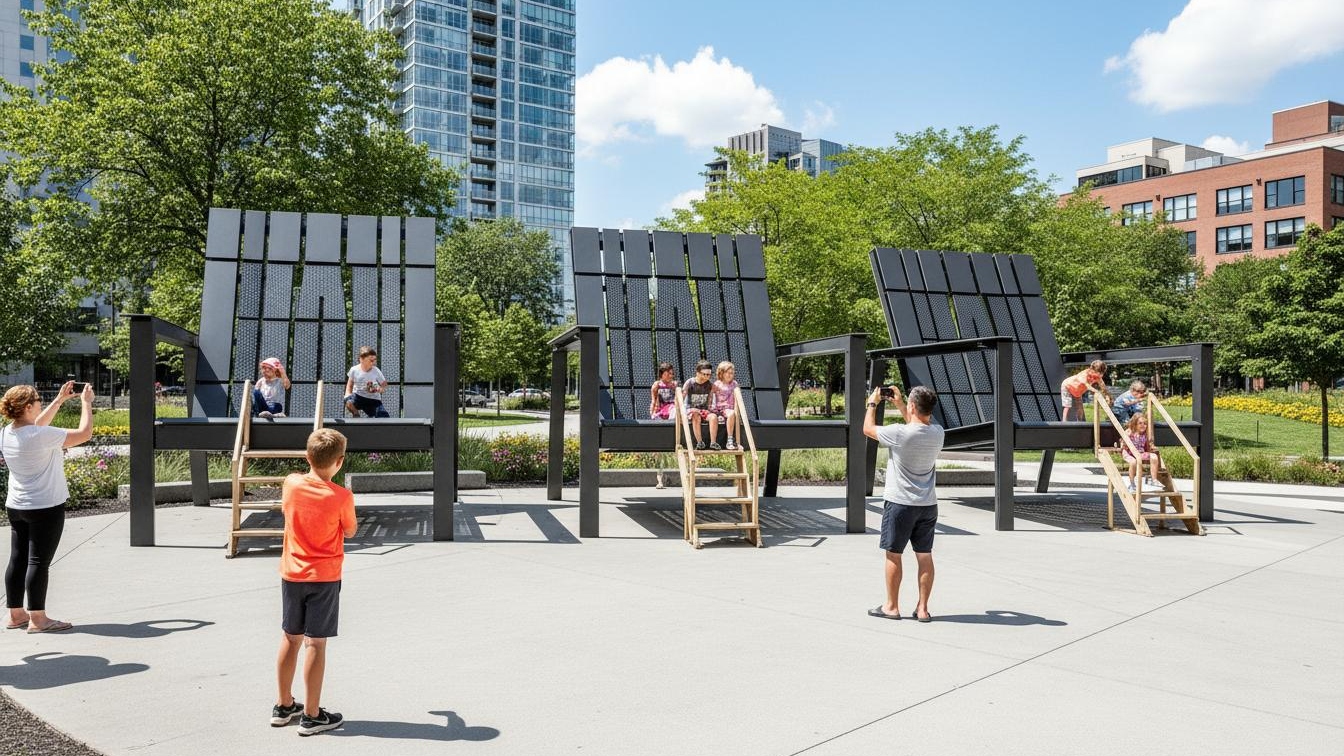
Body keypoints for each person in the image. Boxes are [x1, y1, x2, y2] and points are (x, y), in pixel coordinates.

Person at [273, 428, 357, 736]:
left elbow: (288, 509)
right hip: (324, 578)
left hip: (291, 574)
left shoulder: (291, 484)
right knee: (315, 644)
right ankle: (311, 714)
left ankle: (283, 706)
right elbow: (350, 531)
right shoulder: (342, 497)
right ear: (340, 462)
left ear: (307, 457)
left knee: (290, 638)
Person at [1, 382, 94, 633]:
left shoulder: (7, 433)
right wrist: (86, 403)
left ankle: (16, 615)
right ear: (29, 406)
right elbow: (84, 434)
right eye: (39, 400)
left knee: (18, 559)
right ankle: (38, 619)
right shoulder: (42, 436)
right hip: (45, 507)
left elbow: (35, 426)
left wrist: (59, 400)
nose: (42, 403)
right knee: (38, 562)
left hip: (17, 506)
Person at [863, 384, 944, 623]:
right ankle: (923, 609)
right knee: (924, 556)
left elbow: (867, 429)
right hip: (928, 505)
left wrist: (872, 403)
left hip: (900, 504)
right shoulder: (938, 433)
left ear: (912, 406)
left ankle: (891, 606)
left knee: (893, 555)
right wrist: (900, 403)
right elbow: (917, 422)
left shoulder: (899, 433)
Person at [1122, 413, 1163, 494]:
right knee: (1133, 462)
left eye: (1145, 424)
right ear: (1135, 424)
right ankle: (1132, 484)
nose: (1143, 425)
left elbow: (1148, 445)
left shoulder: (1145, 434)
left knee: (1154, 456)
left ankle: (1154, 480)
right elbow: (1123, 443)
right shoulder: (1129, 432)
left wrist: (1152, 447)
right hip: (1128, 453)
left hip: (1140, 453)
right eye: (1140, 423)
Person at [343, 346, 389, 418]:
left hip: (373, 399)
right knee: (348, 402)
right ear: (361, 359)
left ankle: (371, 416)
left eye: (375, 360)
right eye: (371, 360)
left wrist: (381, 389)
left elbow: (384, 384)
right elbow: (350, 384)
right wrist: (347, 395)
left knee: (384, 417)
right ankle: (356, 414)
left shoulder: (376, 371)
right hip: (358, 397)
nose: (374, 362)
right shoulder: (354, 370)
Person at [682, 359, 718, 450]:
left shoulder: (710, 385)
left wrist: (710, 409)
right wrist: (681, 411)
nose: (707, 376)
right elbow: (681, 397)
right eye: (704, 374)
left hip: (704, 410)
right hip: (692, 409)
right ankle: (699, 442)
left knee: (713, 417)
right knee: (695, 416)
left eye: (709, 374)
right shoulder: (690, 383)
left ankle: (713, 442)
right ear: (698, 373)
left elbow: (710, 399)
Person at [711, 361, 740, 451]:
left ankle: (731, 440)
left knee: (732, 414)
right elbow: (711, 397)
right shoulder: (717, 384)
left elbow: (738, 397)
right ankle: (725, 440)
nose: (730, 375)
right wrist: (712, 408)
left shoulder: (734, 384)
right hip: (720, 409)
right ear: (721, 373)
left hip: (731, 408)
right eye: (727, 373)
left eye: (731, 373)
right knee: (729, 414)